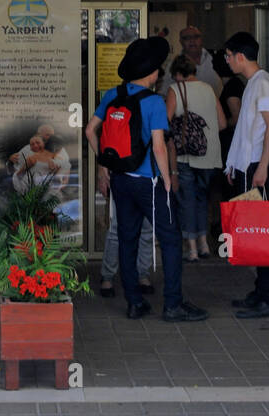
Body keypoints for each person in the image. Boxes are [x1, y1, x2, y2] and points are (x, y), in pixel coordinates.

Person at [85, 35, 207, 323]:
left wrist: (104, 164)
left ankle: (134, 303)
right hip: (148, 181)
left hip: (120, 180)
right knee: (170, 239)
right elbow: (159, 145)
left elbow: (91, 131)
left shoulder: (111, 95)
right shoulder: (153, 102)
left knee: (127, 238)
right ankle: (173, 305)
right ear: (152, 72)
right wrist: (167, 179)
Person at [222, 31, 269, 319]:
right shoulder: (255, 83)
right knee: (256, 231)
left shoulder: (263, 84)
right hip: (250, 166)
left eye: (229, 56)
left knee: (265, 232)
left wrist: (263, 167)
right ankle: (261, 291)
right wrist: (233, 164)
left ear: (240, 56)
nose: (227, 61)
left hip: (258, 168)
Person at [166, 53, 227, 261]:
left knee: (186, 201)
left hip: (186, 156)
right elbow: (222, 124)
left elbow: (166, 123)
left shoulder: (175, 89)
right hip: (209, 155)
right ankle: (204, 245)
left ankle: (191, 248)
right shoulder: (209, 90)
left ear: (178, 74)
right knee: (203, 200)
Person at [99, 199, 155, 298]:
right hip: (122, 185)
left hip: (148, 186)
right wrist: (104, 182)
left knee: (147, 229)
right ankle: (107, 276)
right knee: (116, 229)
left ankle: (142, 274)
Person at [160, 26, 222, 96]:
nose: (192, 40)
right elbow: (164, 93)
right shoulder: (173, 65)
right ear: (181, 41)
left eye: (196, 37)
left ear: (201, 39)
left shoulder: (215, 59)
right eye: (187, 38)